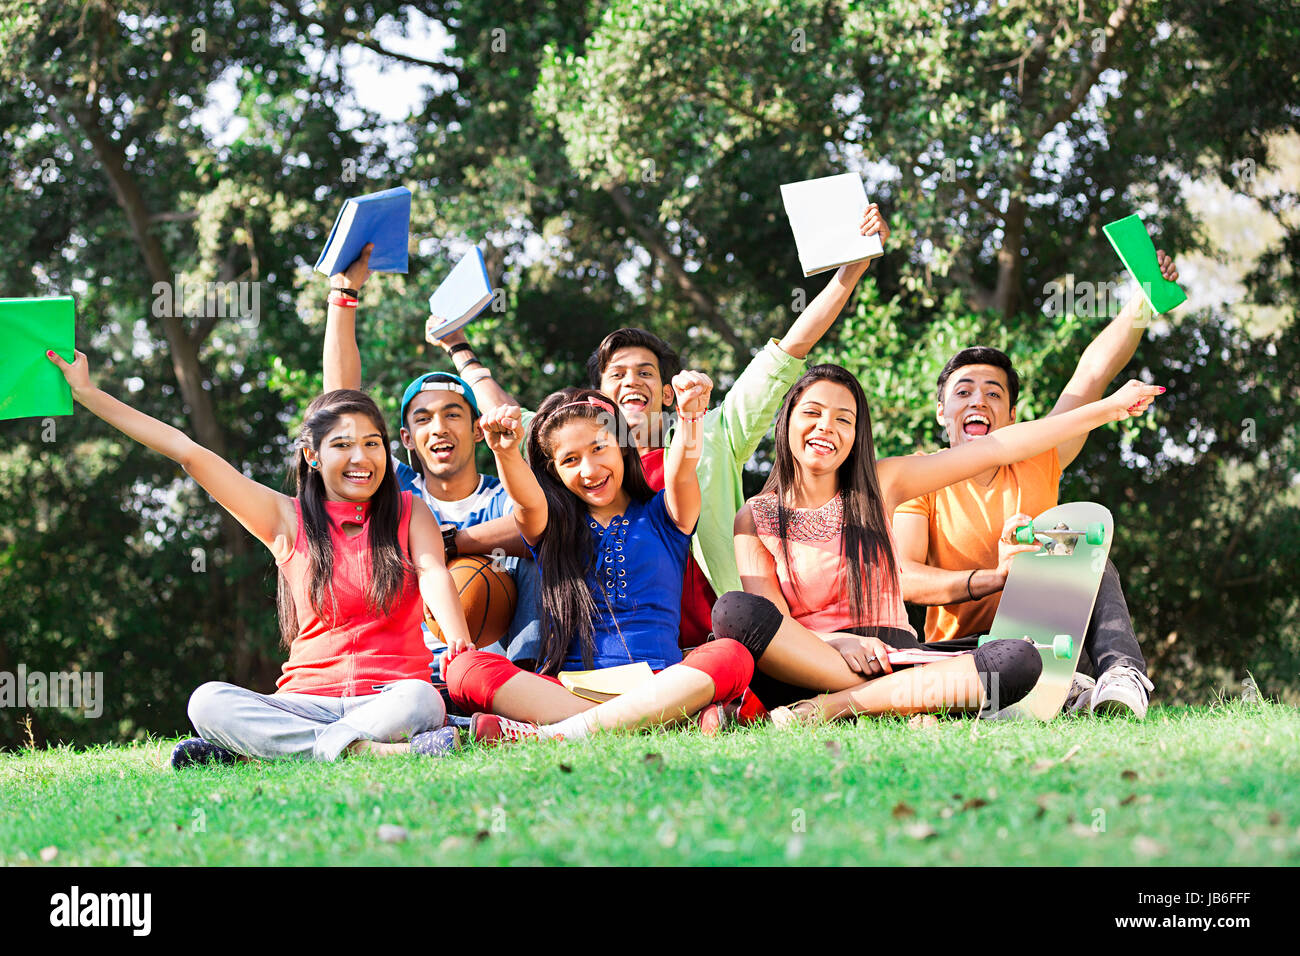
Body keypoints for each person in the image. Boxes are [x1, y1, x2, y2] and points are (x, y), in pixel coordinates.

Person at [470, 205, 893, 651]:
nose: (631, 381)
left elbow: (789, 351)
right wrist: (461, 348)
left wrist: (852, 269)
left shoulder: (711, 434)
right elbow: (508, 419)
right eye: (617, 375)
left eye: (645, 373)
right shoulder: (579, 456)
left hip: (721, 637)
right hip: (622, 642)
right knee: (535, 561)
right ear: (596, 401)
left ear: (668, 393)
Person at [47, 349, 471, 764]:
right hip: (302, 703)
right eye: (342, 444)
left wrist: (458, 637)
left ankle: (272, 752)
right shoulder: (285, 518)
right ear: (313, 456)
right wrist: (89, 395)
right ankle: (359, 750)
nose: (361, 458)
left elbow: (432, 569)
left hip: (390, 697)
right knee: (208, 702)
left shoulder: (409, 510)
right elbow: (188, 452)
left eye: (372, 444)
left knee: (422, 699)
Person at [709, 363, 1165, 727]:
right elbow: (773, 621)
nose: (825, 427)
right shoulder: (755, 516)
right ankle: (890, 704)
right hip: (809, 664)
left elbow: (998, 447)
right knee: (736, 611)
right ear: (787, 420)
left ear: (855, 434)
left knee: (1018, 659)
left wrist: (1108, 408)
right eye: (812, 413)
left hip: (898, 661)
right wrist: (835, 641)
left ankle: (837, 707)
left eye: (842, 419)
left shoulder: (881, 484)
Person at [892, 252, 1179, 718]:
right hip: (964, 653)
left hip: (1047, 638)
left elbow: (1090, 376)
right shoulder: (922, 478)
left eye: (993, 393)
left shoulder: (1038, 455)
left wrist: (1143, 301)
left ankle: (1119, 677)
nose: (978, 400)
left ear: (1011, 416)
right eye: (963, 392)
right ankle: (1056, 694)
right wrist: (994, 579)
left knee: (1083, 550)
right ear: (942, 412)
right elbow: (906, 577)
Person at [441, 380, 755, 745]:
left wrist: (689, 416)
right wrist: (506, 453)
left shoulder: (665, 516)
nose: (589, 470)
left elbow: (682, 468)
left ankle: (557, 735)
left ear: (621, 446)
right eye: (570, 460)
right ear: (554, 470)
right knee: (465, 669)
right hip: (571, 691)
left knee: (731, 654)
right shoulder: (550, 527)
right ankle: (659, 721)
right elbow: (527, 503)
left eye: (599, 448)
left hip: (660, 681)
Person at [322, 245, 543, 668]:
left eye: (453, 414)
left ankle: (532, 673)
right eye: (423, 419)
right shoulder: (396, 489)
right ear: (407, 437)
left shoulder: (505, 492)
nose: (438, 427)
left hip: (499, 663)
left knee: (545, 548)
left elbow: (512, 425)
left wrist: (459, 346)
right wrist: (343, 296)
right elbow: (341, 410)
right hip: (414, 673)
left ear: (478, 429)